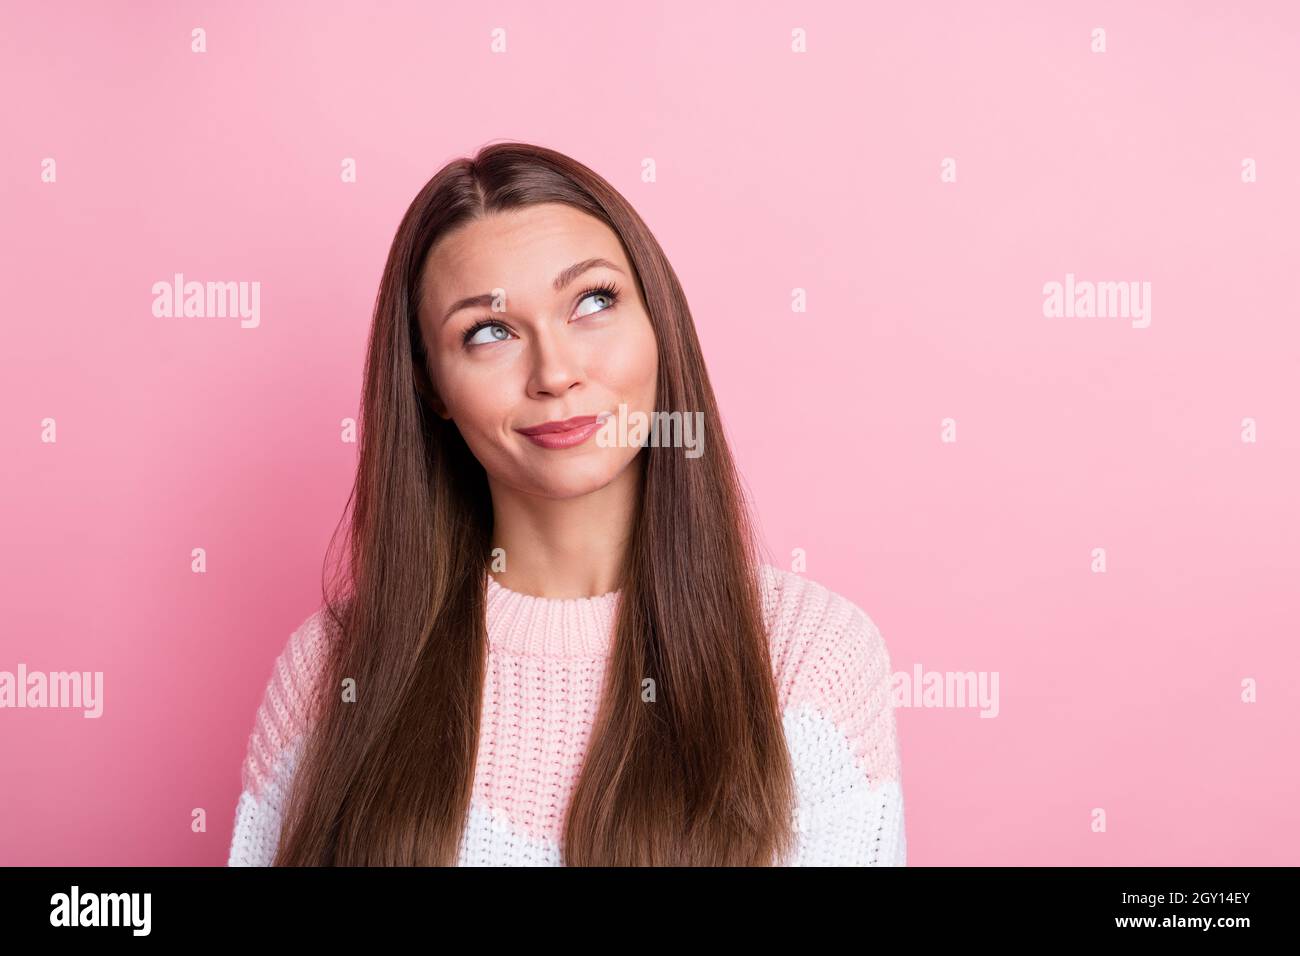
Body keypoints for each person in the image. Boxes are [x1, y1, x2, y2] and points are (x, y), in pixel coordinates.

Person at [227, 142, 905, 866]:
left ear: (659, 322)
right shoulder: (331, 671)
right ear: (432, 389)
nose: (555, 373)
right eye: (489, 332)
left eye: (592, 301)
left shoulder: (811, 657)